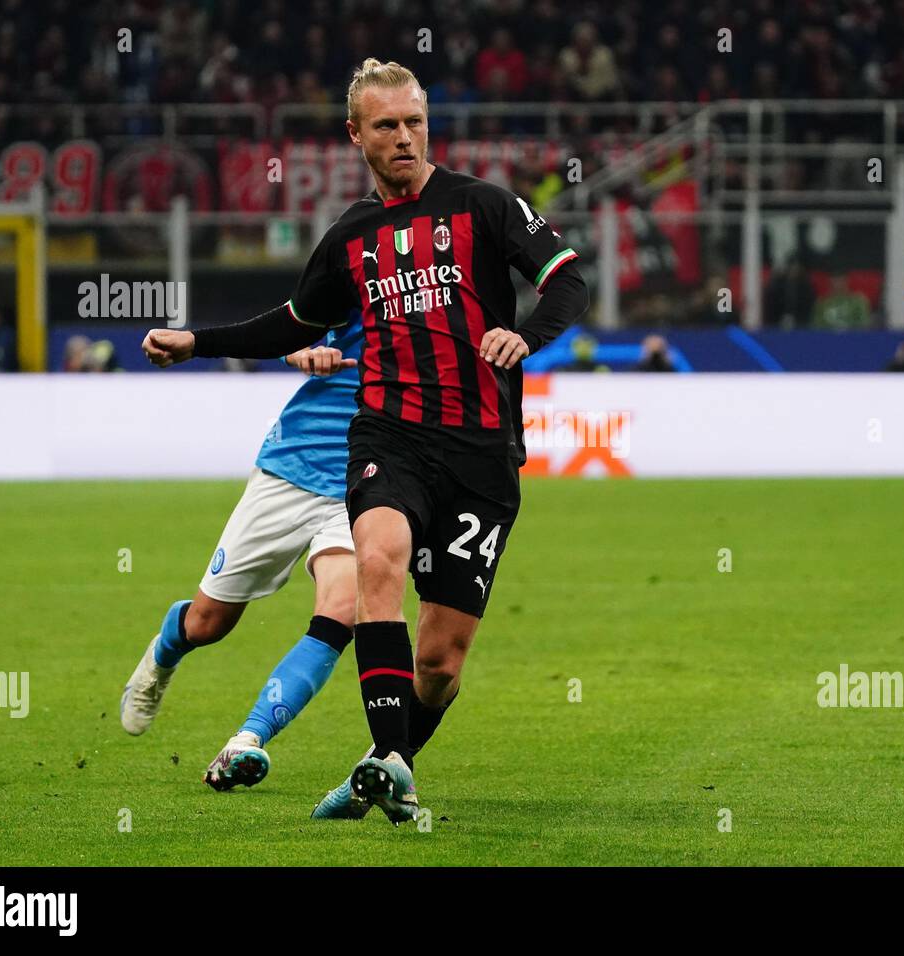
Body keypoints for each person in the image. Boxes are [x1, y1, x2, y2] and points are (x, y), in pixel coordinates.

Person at [139, 59, 589, 825]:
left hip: (482, 453)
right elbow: (292, 322)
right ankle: (389, 762)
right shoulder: (350, 236)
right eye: (387, 125)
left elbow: (567, 280)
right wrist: (197, 341)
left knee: (441, 664)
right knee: (376, 559)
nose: (405, 137)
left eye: (415, 121)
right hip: (389, 436)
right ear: (356, 135)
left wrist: (525, 334)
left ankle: (388, 763)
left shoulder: (483, 205)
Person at [120, 336, 362, 793]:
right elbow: (290, 321)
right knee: (208, 624)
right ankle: (165, 649)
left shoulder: (441, 297)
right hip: (295, 467)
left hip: (370, 478)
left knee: (341, 614)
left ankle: (247, 739)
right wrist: (297, 349)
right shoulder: (359, 271)